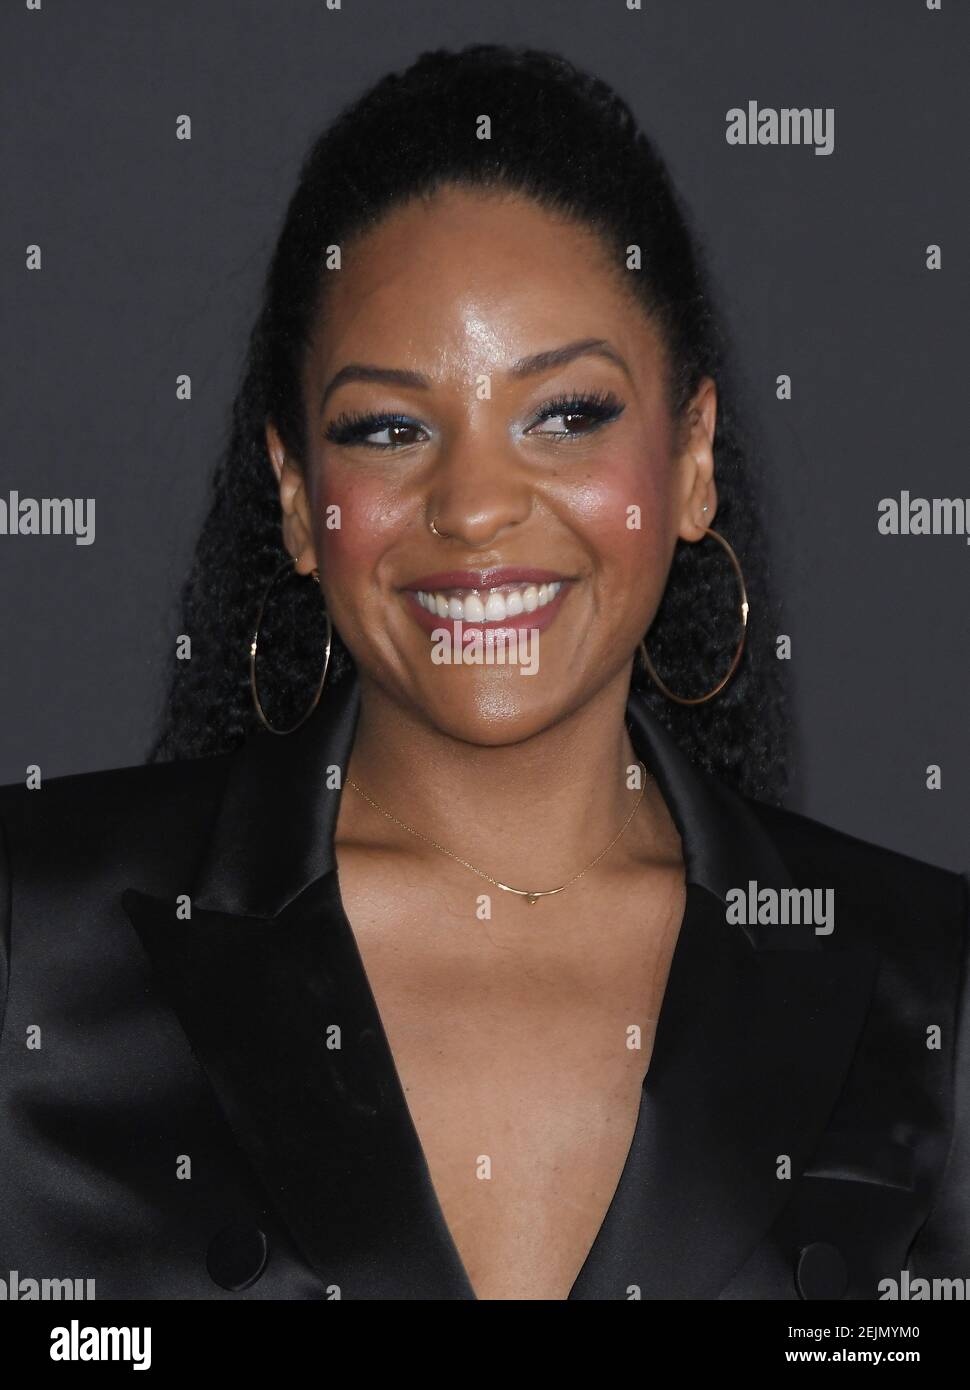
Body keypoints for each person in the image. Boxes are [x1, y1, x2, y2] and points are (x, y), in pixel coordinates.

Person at [0, 44, 967, 1303]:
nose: (472, 507)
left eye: (566, 413)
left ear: (690, 457)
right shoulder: (34, 946)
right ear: (299, 500)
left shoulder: (922, 990)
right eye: (387, 428)